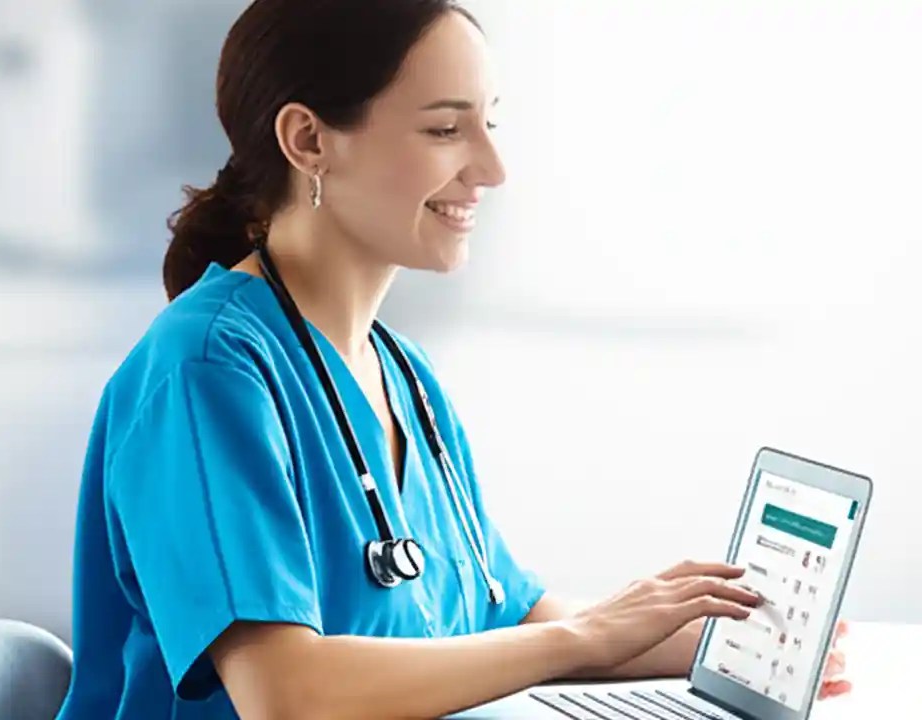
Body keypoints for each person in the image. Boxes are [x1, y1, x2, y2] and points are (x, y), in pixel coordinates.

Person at [56, 2, 851, 717]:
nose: (492, 169)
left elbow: (506, 617)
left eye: (490, 124)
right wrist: (582, 639)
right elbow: (284, 692)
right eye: (445, 130)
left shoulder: (406, 378)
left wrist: (727, 640)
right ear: (308, 141)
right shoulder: (207, 370)